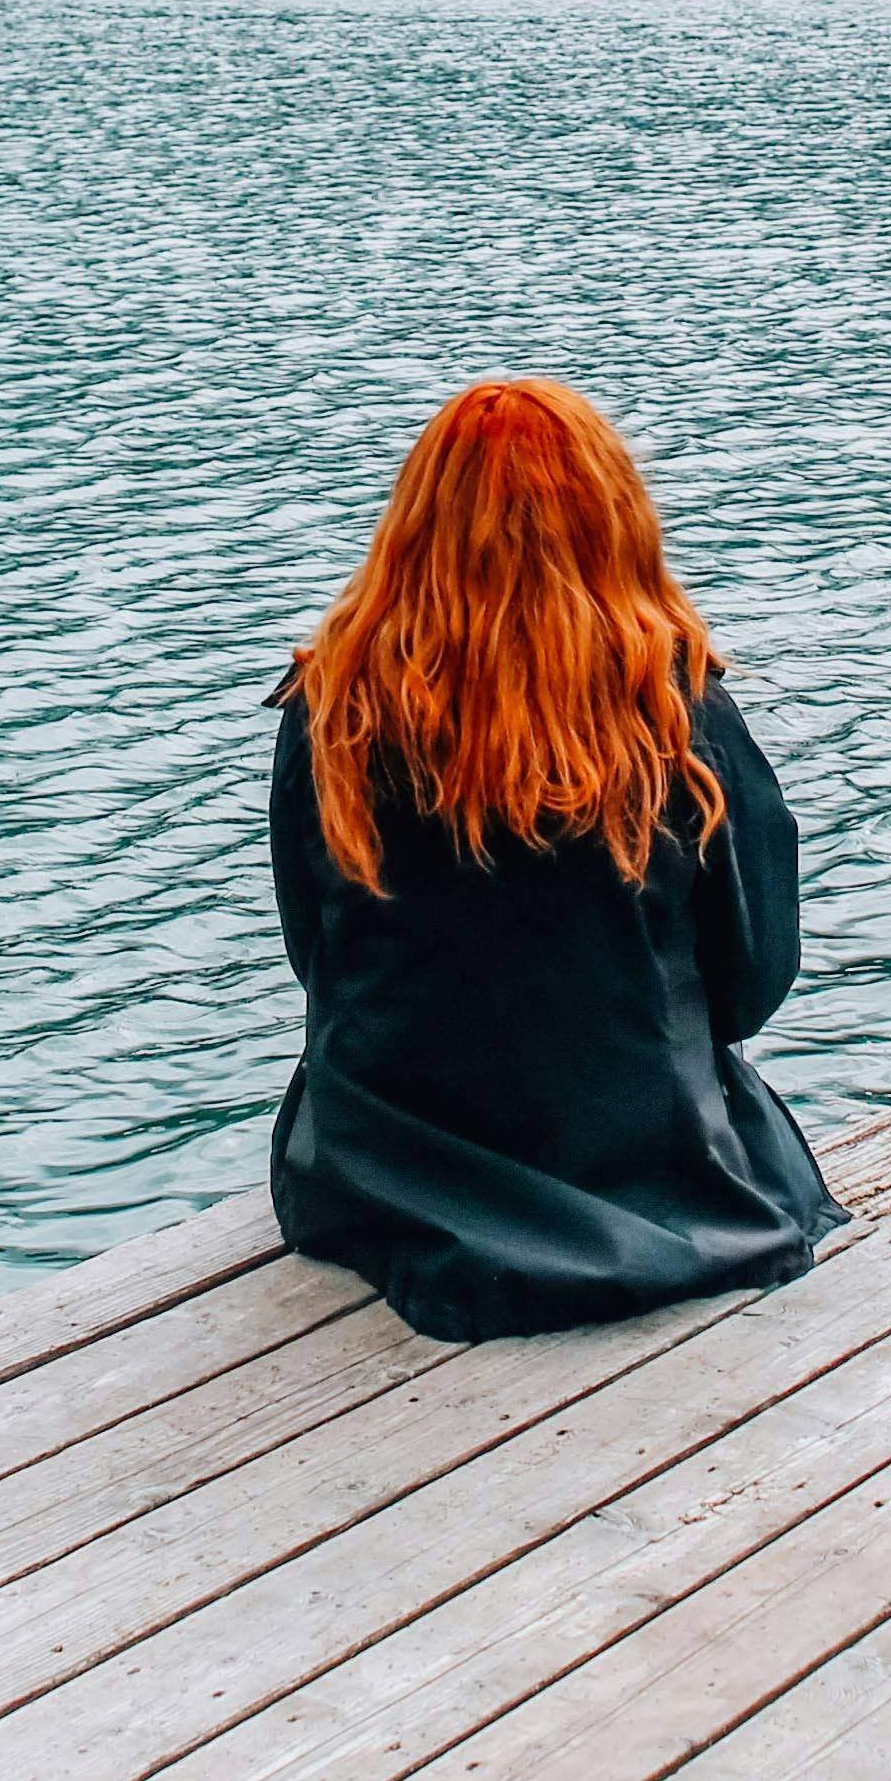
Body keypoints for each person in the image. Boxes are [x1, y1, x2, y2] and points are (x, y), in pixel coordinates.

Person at [265, 379, 843, 1342]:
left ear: (416, 522)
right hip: (663, 1183)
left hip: (384, 1179)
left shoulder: (328, 709)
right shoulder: (677, 715)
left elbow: (312, 955)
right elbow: (754, 977)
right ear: (613, 516)